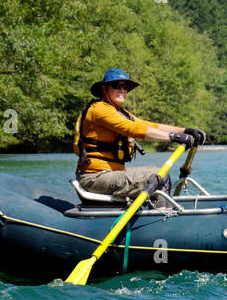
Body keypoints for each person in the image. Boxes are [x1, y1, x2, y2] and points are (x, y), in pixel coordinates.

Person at [74, 68, 205, 206]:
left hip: (112, 174)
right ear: (103, 89)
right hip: (94, 178)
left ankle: (160, 212)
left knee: (158, 173)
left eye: (125, 87)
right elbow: (134, 129)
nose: (122, 90)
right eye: (116, 86)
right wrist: (173, 137)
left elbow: (149, 125)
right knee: (160, 176)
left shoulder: (120, 112)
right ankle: (163, 220)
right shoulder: (99, 109)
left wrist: (185, 131)